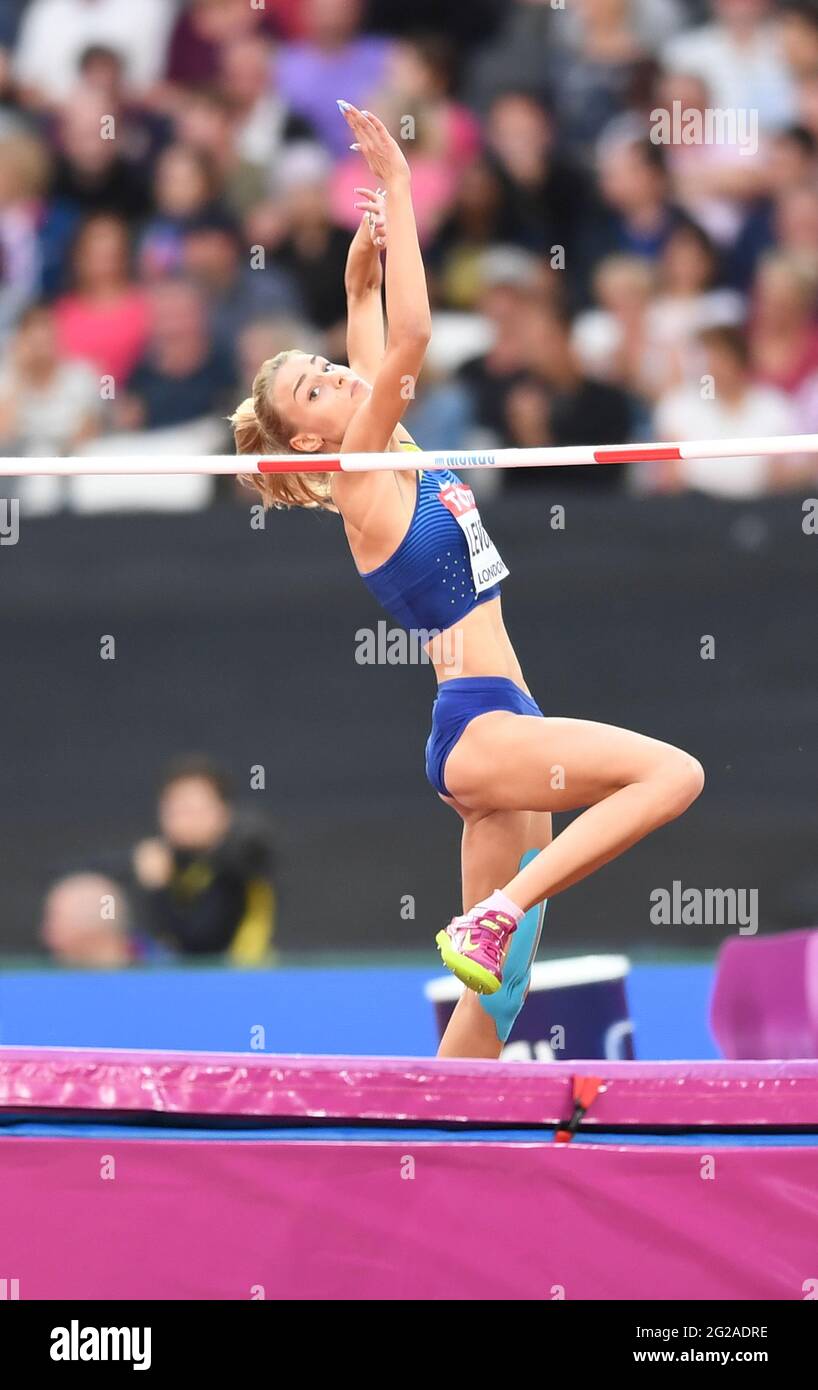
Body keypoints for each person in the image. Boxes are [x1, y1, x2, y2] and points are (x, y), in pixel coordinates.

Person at [231, 103, 704, 1060]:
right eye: (314, 389)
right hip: (479, 728)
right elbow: (408, 342)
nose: (334, 376)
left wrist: (360, 272)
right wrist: (404, 191)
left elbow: (374, 337)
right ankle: (496, 914)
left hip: (505, 718)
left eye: (322, 366)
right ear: (314, 442)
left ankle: (433, 1149)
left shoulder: (385, 441)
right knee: (674, 773)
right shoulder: (358, 476)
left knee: (499, 1002)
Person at [132, 757, 276, 964]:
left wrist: (158, 889)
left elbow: (198, 945)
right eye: (175, 809)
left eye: (194, 808)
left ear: (223, 812)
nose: (183, 819)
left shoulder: (238, 863)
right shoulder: (172, 863)